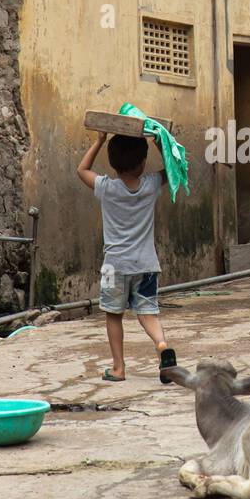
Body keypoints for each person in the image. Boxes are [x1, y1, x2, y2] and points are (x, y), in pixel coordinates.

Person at [76, 131, 178, 381]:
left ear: (112, 162)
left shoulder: (107, 188)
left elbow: (82, 169)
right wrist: (160, 143)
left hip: (114, 267)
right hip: (146, 265)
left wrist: (99, 140)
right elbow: (173, 169)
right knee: (148, 313)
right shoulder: (151, 184)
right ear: (143, 162)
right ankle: (162, 346)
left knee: (113, 314)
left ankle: (119, 368)